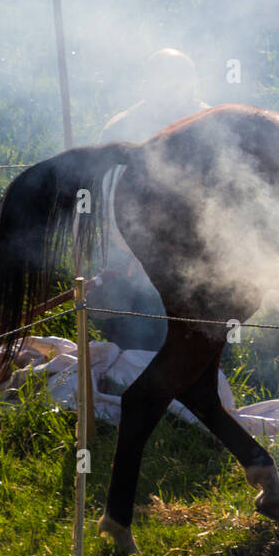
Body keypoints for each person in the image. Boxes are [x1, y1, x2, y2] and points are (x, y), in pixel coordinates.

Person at [90, 48, 206, 351]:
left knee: (198, 334)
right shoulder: (122, 128)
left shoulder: (210, 123)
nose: (175, 95)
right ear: (147, 86)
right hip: (132, 249)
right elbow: (111, 201)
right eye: (166, 85)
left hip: (196, 251)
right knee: (137, 337)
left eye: (182, 85)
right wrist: (138, 254)